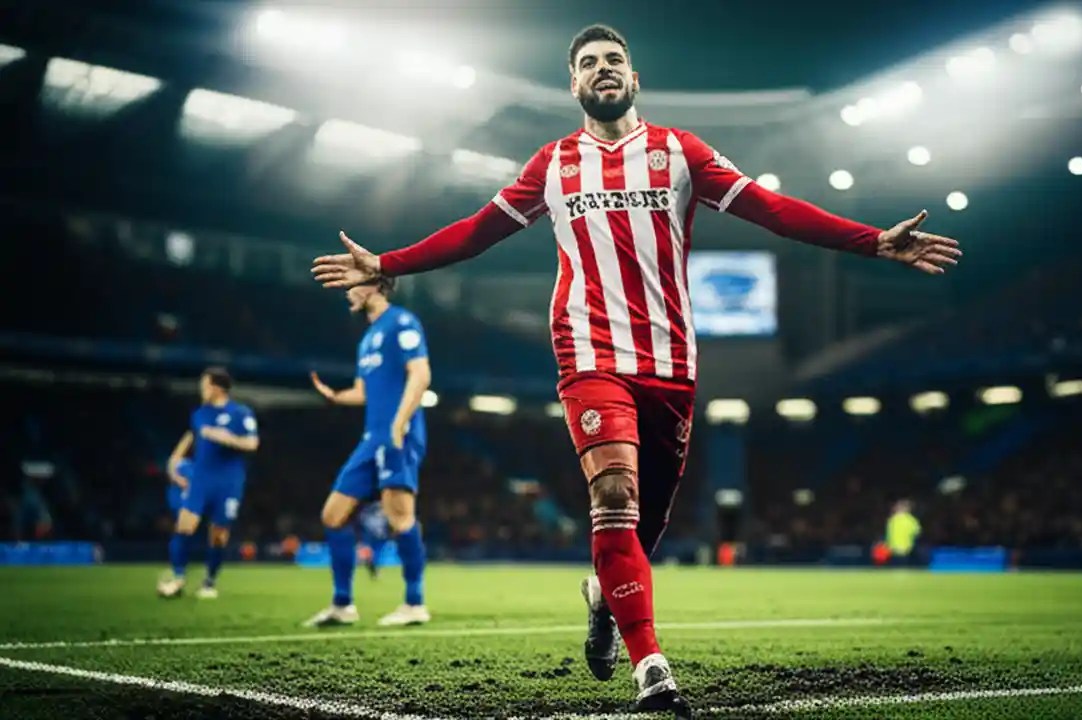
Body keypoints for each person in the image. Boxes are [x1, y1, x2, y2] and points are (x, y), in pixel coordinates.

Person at [311, 24, 960, 715]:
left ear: (634, 77)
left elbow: (773, 212)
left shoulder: (680, 153)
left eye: (614, 59)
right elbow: (476, 231)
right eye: (589, 62)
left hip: (670, 362)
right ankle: (652, 670)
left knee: (642, 529)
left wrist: (872, 242)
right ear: (574, 84)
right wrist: (388, 263)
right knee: (614, 493)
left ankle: (602, 595)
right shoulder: (553, 164)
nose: (603, 68)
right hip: (589, 353)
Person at [303, 275, 432, 628]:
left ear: (375, 286)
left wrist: (399, 422)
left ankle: (414, 603)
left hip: (397, 434)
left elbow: (420, 375)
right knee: (333, 515)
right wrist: (335, 396)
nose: (348, 292)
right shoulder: (367, 338)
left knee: (400, 517)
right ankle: (342, 604)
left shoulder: (401, 321)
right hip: (372, 439)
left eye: (353, 285)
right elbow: (363, 392)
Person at [158, 367, 259, 599]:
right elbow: (193, 436)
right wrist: (174, 462)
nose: (201, 390)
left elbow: (252, 443)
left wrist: (226, 438)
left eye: (204, 385)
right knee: (185, 526)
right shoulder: (200, 414)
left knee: (218, 535)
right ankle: (178, 577)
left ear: (217, 388)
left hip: (228, 481)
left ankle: (209, 582)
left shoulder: (241, 413)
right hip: (201, 478)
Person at [885, 499, 921, 564]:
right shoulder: (912, 520)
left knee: (894, 567)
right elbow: (917, 533)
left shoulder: (892, 520)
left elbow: (888, 535)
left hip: (893, 549)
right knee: (903, 566)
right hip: (906, 549)